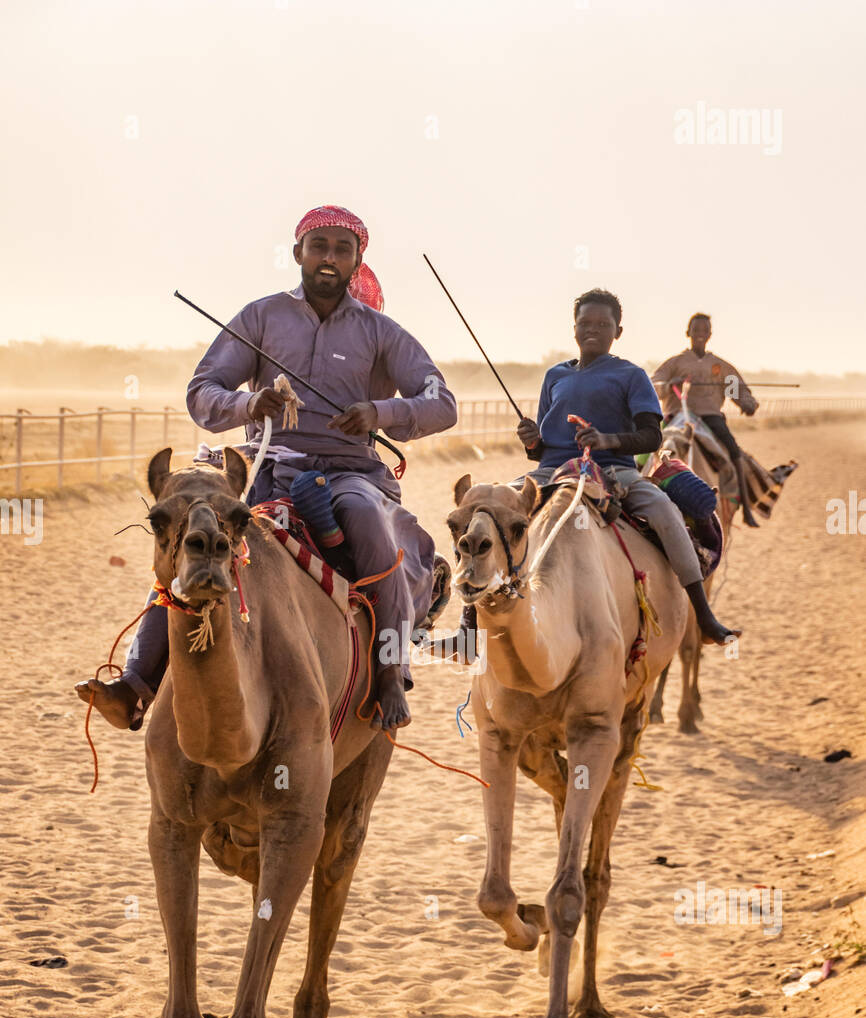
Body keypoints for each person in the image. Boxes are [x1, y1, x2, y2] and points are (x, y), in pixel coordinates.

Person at [76, 205, 458, 733]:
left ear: (357, 259)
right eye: (318, 246)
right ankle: (137, 683)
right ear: (297, 250)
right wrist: (248, 405)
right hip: (265, 469)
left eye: (341, 249)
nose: (329, 258)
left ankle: (391, 669)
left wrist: (380, 413)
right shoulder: (260, 317)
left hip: (349, 472)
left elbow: (442, 403)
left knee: (368, 521)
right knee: (191, 525)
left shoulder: (382, 331)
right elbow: (201, 393)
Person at [513, 288, 739, 645]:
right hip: (552, 473)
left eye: (603, 323)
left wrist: (607, 441)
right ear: (573, 329)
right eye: (585, 322)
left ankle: (703, 614)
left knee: (665, 512)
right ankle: (469, 621)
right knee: (488, 508)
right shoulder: (554, 376)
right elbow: (542, 450)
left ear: (618, 331)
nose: (593, 329)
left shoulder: (631, 375)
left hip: (617, 472)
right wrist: (531, 441)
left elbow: (652, 437)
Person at [652, 312, 760, 526]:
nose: (700, 334)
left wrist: (748, 403)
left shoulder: (720, 366)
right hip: (677, 417)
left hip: (710, 418)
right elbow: (654, 385)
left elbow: (737, 389)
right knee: (647, 448)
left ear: (710, 334)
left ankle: (746, 508)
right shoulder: (675, 363)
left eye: (704, 330)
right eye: (696, 330)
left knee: (733, 451)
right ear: (688, 333)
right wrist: (669, 384)